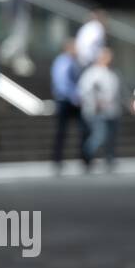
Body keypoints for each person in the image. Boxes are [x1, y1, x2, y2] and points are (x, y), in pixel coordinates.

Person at [78, 47, 122, 171]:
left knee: (111, 137)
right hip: (97, 111)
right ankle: (86, 156)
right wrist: (95, 102)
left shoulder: (112, 73)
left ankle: (110, 158)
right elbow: (85, 90)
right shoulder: (92, 73)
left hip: (112, 110)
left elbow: (116, 92)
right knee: (99, 135)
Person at [50, 38, 88, 174]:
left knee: (83, 129)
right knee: (62, 131)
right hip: (65, 101)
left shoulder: (74, 62)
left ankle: (85, 157)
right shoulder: (62, 62)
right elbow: (61, 83)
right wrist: (74, 96)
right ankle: (57, 159)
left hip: (74, 100)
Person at [0, 0, 34, 76]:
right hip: (16, 18)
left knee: (21, 40)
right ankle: (4, 55)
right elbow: (9, 4)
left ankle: (13, 59)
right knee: (17, 39)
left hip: (19, 18)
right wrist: (8, 17)